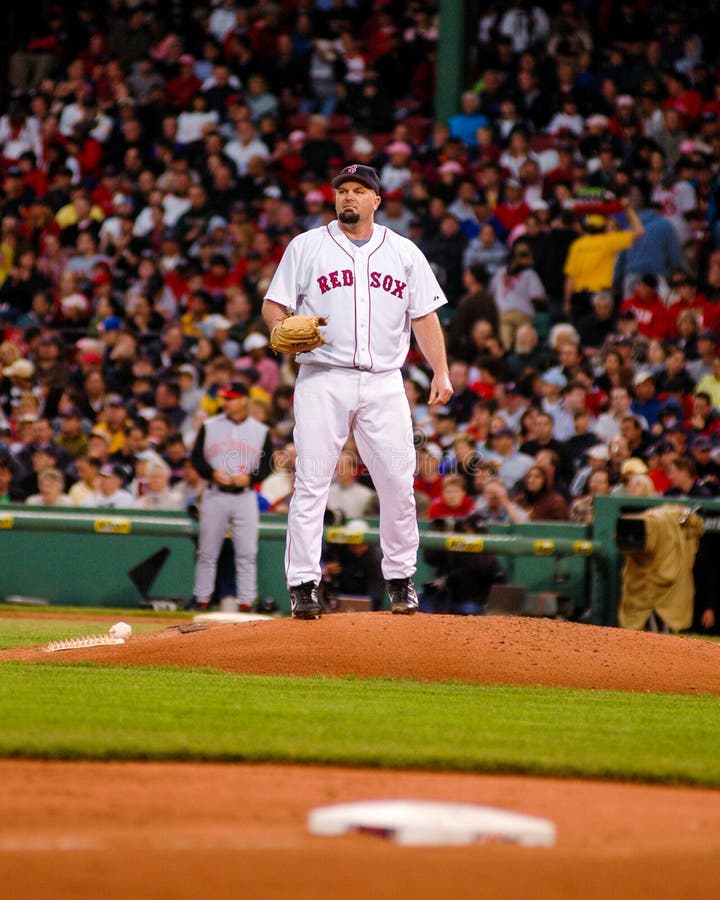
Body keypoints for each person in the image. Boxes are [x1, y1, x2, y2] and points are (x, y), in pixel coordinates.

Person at [262, 163, 452, 619]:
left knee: (398, 484)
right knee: (311, 481)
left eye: (358, 191)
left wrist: (441, 372)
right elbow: (274, 306)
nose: (349, 197)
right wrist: (279, 328)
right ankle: (303, 585)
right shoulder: (306, 247)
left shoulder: (403, 252)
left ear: (375, 200)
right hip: (323, 377)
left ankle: (402, 580)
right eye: (342, 190)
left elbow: (424, 316)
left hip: (385, 380)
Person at [189, 380, 273, 611]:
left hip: (245, 495)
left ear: (244, 400)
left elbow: (268, 465)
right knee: (207, 551)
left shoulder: (260, 430)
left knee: (247, 553)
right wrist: (211, 473)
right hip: (215, 493)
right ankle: (202, 599)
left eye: (231, 398)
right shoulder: (209, 425)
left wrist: (251, 479)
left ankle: (247, 602)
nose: (226, 402)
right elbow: (196, 459)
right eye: (225, 398)